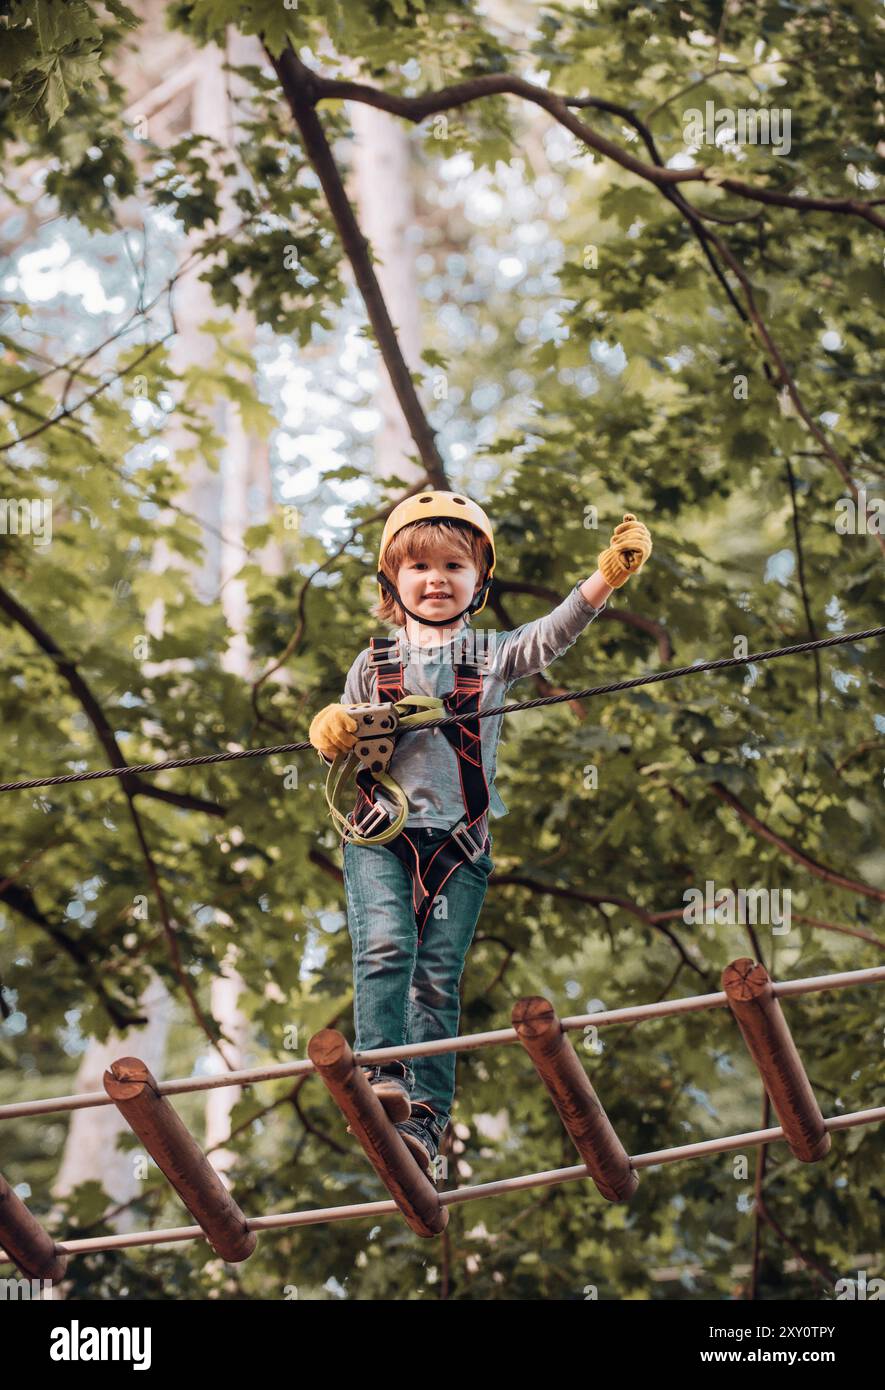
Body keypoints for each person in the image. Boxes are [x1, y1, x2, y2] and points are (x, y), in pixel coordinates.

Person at [309, 491, 652, 1177]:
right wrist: (330, 730)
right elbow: (344, 732)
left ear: (478, 581)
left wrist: (604, 578)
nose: (435, 578)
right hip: (381, 833)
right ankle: (384, 1071)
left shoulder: (492, 655)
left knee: (436, 980)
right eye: (418, 568)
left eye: (453, 566)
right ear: (391, 583)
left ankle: (424, 1129)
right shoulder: (372, 664)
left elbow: (553, 631)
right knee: (384, 946)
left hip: (459, 845)